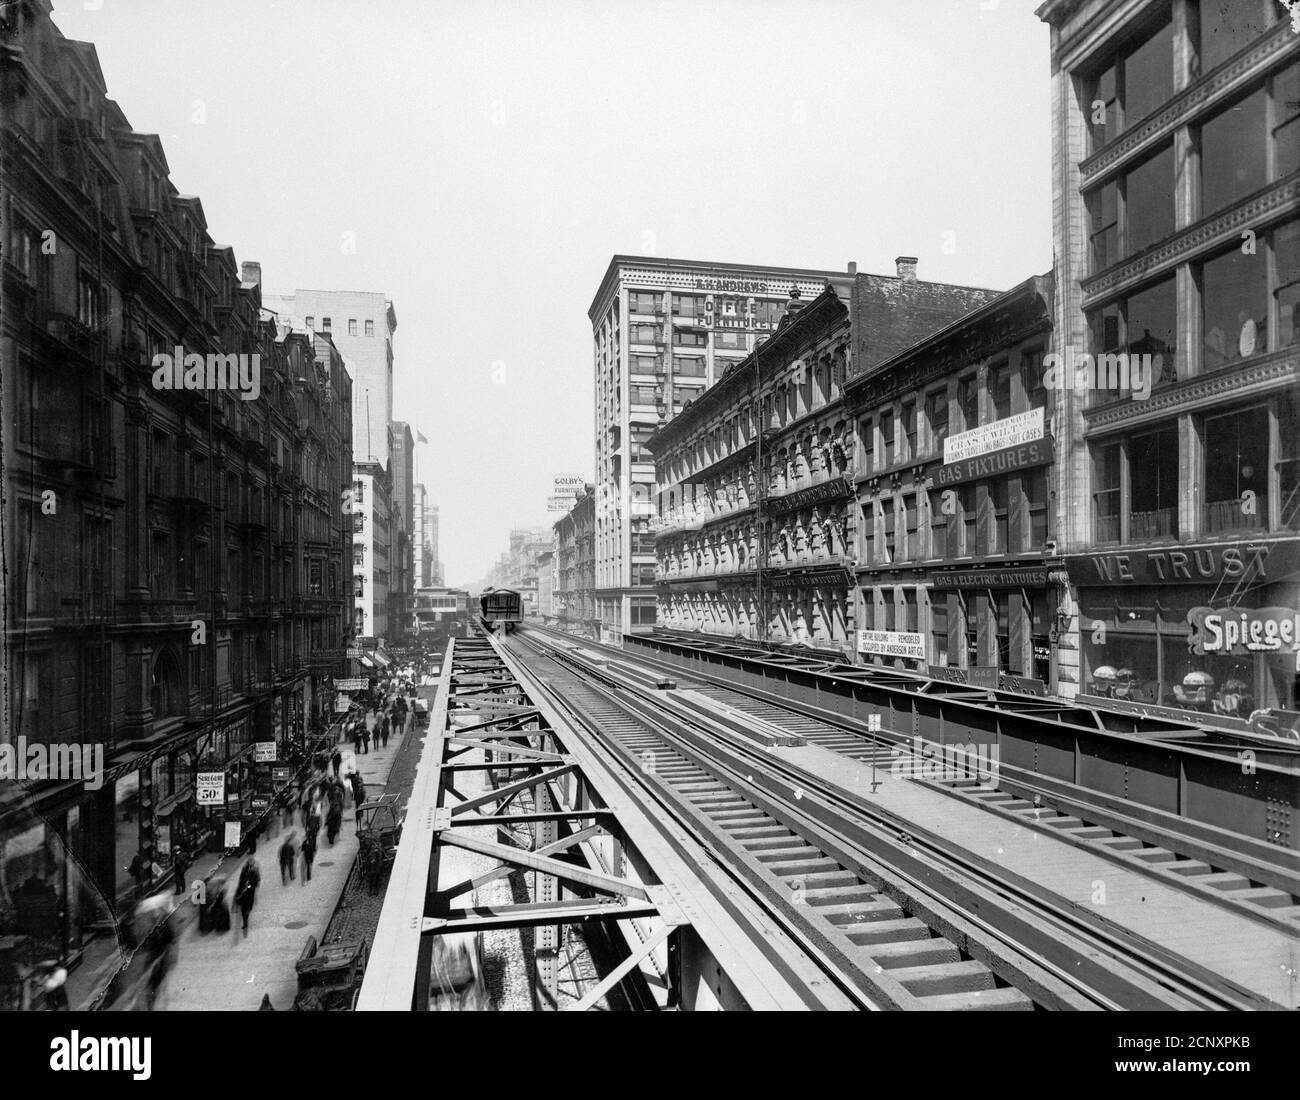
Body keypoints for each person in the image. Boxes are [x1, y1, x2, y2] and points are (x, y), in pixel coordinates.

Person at [234, 857, 260, 936]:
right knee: (244, 908)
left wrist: (251, 887)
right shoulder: (245, 869)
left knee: (248, 906)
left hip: (249, 891)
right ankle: (245, 920)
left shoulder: (255, 870)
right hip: (244, 892)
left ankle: (246, 916)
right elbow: (241, 879)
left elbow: (256, 880)